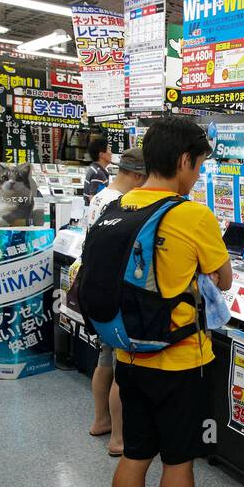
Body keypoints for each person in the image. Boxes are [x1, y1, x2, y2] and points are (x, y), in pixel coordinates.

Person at [108, 117, 230, 487]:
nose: (198, 175)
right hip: (181, 361)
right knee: (178, 461)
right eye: (198, 166)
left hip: (129, 356)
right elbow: (224, 279)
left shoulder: (120, 205)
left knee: (135, 455)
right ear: (183, 161)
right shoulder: (192, 216)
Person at [82, 146, 147, 457]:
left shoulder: (98, 198)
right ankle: (119, 438)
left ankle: (100, 421)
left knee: (104, 360)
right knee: (123, 366)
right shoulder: (123, 205)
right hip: (116, 296)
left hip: (94, 290)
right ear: (136, 175)